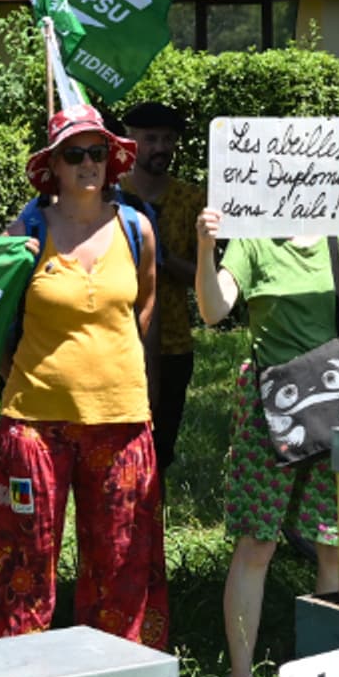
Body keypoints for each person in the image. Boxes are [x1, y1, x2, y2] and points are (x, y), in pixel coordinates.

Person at [192, 196, 339, 677]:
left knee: (333, 543)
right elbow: (213, 311)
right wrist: (206, 248)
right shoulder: (253, 238)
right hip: (264, 406)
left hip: (332, 403)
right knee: (257, 542)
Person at [0, 109, 168, 647]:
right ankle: (11, 672)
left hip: (122, 420)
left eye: (97, 153)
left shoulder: (136, 227)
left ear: (112, 160)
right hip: (35, 423)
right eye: (74, 154)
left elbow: (145, 308)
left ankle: (116, 673)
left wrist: (129, 374)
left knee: (121, 560)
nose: (88, 164)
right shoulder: (28, 231)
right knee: (21, 558)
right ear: (52, 165)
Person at [115, 101, 203, 465]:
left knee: (160, 449)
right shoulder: (110, 194)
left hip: (173, 343)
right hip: (116, 338)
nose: (160, 148)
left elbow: (205, 278)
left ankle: (153, 517)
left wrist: (163, 257)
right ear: (130, 142)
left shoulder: (192, 199)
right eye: (150, 139)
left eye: (168, 139)